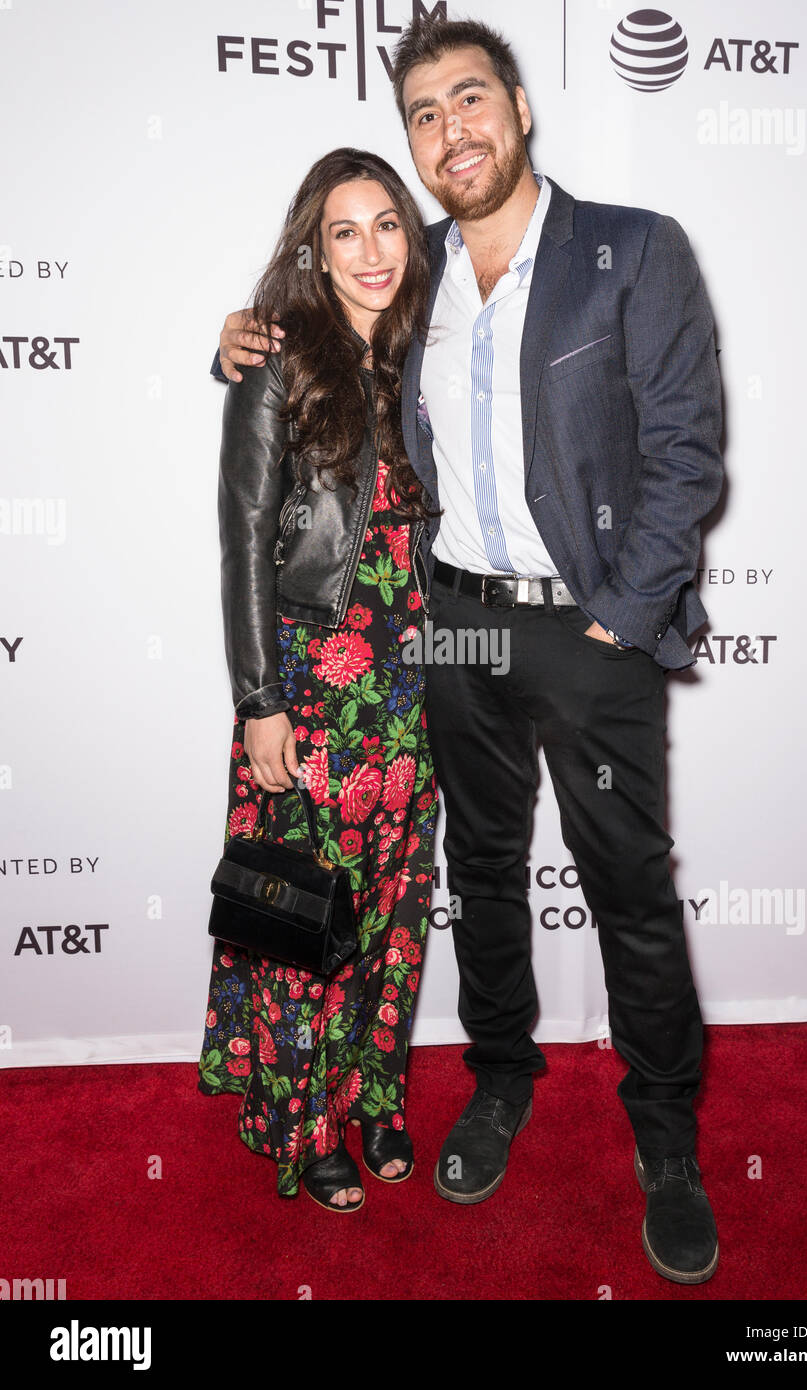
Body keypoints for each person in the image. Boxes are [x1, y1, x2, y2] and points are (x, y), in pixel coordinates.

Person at [215, 17, 724, 1283]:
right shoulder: (417, 266)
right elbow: (311, 347)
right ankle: (498, 1081)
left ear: (518, 108)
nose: (452, 130)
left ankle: (665, 1136)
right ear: (411, 145)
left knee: (629, 888)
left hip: (590, 624)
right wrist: (236, 340)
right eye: (425, 115)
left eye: (470, 99)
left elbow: (684, 449)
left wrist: (624, 605)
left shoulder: (630, 249)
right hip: (451, 621)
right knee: (484, 873)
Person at [199, 147, 438, 1212]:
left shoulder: (436, 350)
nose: (371, 249)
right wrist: (258, 701)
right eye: (346, 230)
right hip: (313, 683)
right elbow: (246, 534)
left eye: (387, 223)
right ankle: (308, 1117)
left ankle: (377, 1091)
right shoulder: (277, 357)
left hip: (421, 685)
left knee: (396, 906)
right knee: (311, 913)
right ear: (315, 245)